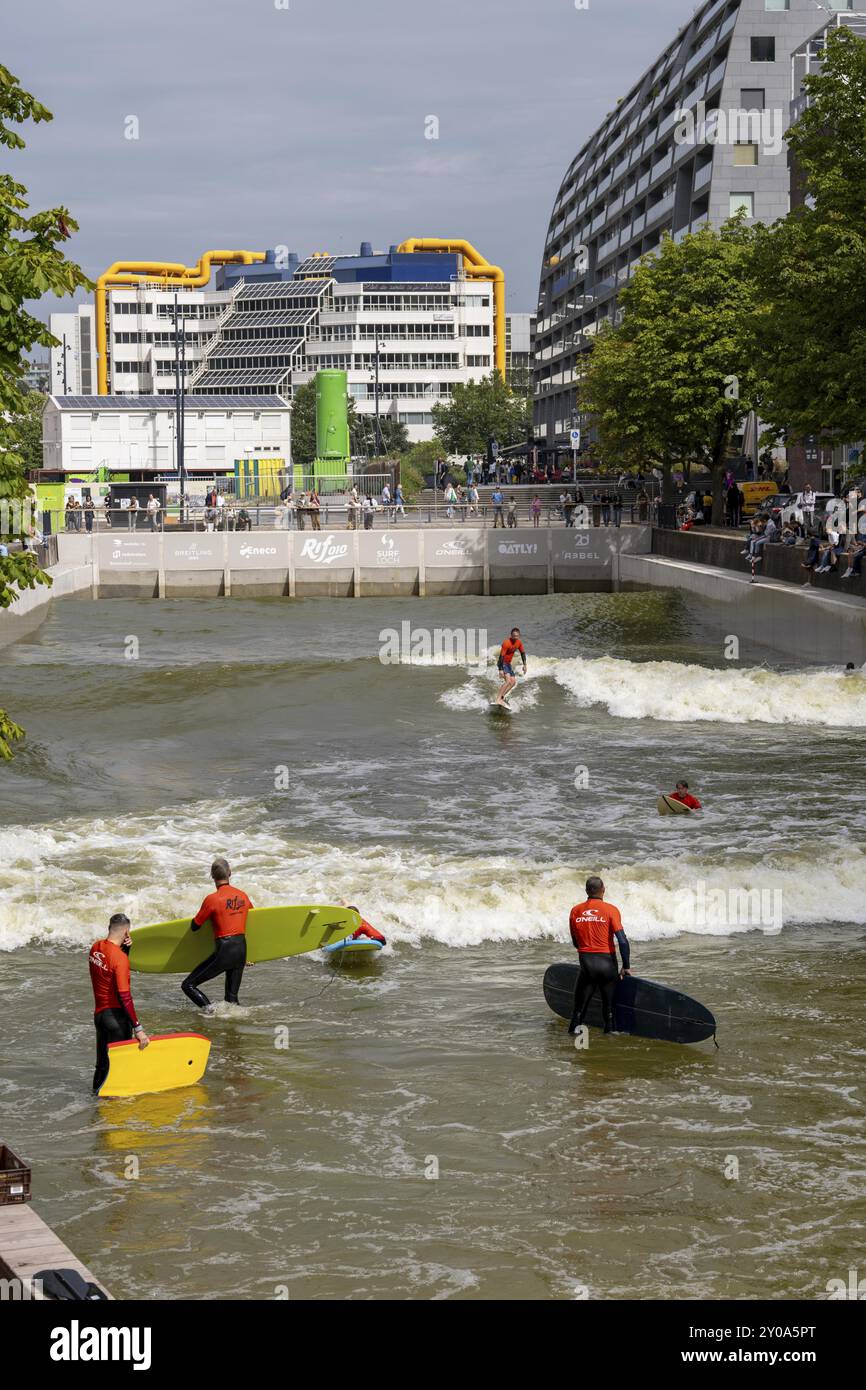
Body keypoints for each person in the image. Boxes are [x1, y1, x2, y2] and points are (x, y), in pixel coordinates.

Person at [181, 859, 254, 1011]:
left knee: (188, 985)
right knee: (232, 999)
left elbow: (195, 926)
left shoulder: (212, 899)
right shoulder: (243, 896)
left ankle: (211, 1012)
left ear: (212, 876)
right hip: (241, 950)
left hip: (224, 952)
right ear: (230, 873)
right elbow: (253, 919)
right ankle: (232, 1029)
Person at [89, 912, 150, 1093]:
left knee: (102, 1065)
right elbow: (124, 995)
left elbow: (108, 971)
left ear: (109, 928)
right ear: (126, 932)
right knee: (119, 1070)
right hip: (116, 1020)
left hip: (100, 1016)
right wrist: (138, 1029)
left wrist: (125, 950)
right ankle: (116, 1115)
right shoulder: (120, 958)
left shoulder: (95, 948)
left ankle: (96, 1102)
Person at [567, 877, 631, 1036]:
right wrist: (626, 966)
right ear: (603, 889)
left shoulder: (575, 911)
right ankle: (608, 1044)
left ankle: (573, 1045)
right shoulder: (611, 909)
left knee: (578, 1011)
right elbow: (622, 941)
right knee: (609, 1010)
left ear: (586, 890)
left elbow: (575, 941)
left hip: (587, 966)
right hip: (608, 965)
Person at [495, 627, 526, 707]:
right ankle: (498, 699)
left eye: (517, 636)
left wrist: (525, 665)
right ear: (511, 635)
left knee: (513, 682)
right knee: (508, 681)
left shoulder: (519, 642)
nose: (515, 637)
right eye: (514, 636)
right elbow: (501, 657)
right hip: (502, 663)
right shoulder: (506, 643)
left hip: (508, 664)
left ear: (519, 636)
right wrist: (500, 669)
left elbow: (522, 653)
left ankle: (501, 697)